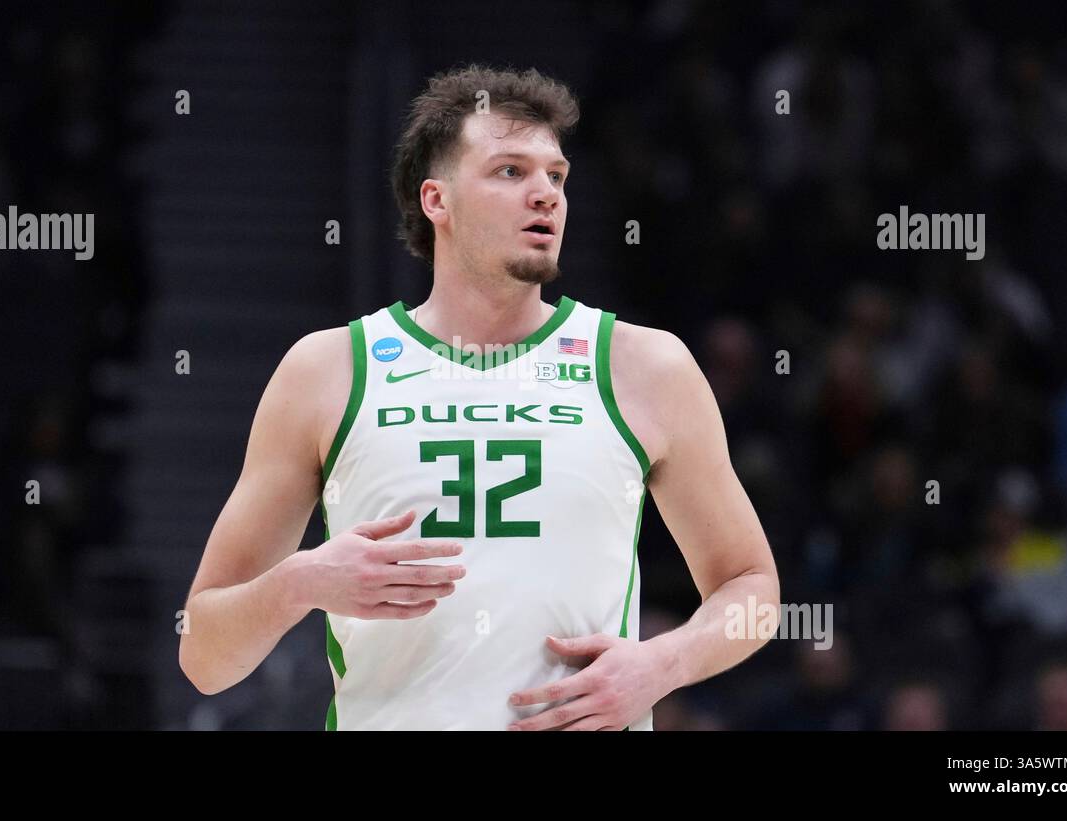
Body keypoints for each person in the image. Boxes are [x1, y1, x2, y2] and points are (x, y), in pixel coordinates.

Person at [179, 64, 779, 730]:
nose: (546, 194)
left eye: (557, 176)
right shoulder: (328, 370)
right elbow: (205, 655)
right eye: (510, 172)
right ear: (437, 200)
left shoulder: (645, 365)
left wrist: (661, 664)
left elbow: (752, 590)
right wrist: (303, 581)